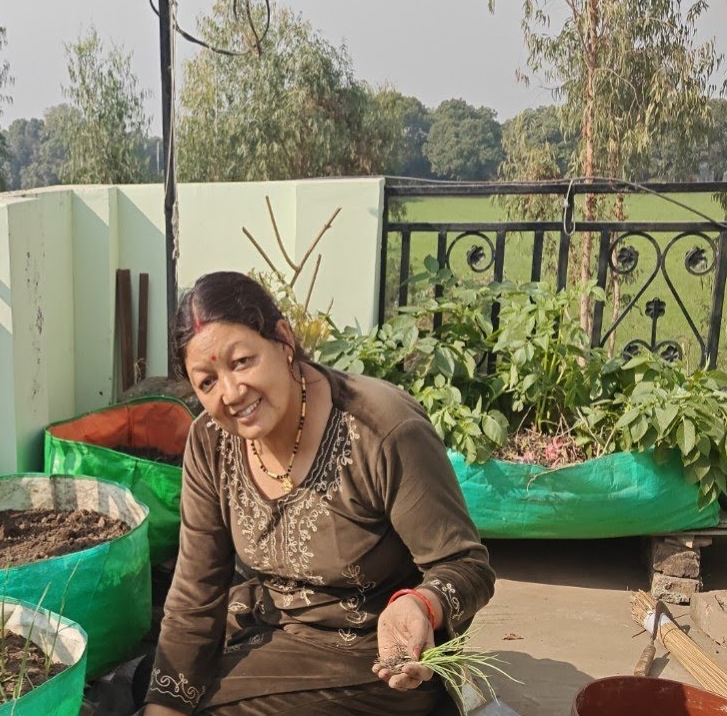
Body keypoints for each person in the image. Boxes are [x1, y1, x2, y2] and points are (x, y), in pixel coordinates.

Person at [141, 271, 496, 716]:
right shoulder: (210, 442)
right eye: (207, 381)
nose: (230, 393)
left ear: (284, 341)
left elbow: (466, 565)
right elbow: (195, 591)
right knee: (155, 686)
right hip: (276, 628)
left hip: (377, 657)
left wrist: (420, 605)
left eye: (242, 361)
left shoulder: (381, 429)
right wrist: (165, 704)